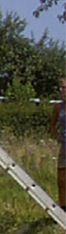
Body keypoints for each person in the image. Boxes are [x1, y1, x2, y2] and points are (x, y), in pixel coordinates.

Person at [50, 77, 66, 207]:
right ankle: (63, 207)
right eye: (61, 88)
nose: (61, 90)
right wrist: (58, 137)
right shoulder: (58, 107)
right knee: (61, 180)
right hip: (65, 146)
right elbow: (52, 125)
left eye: (64, 87)